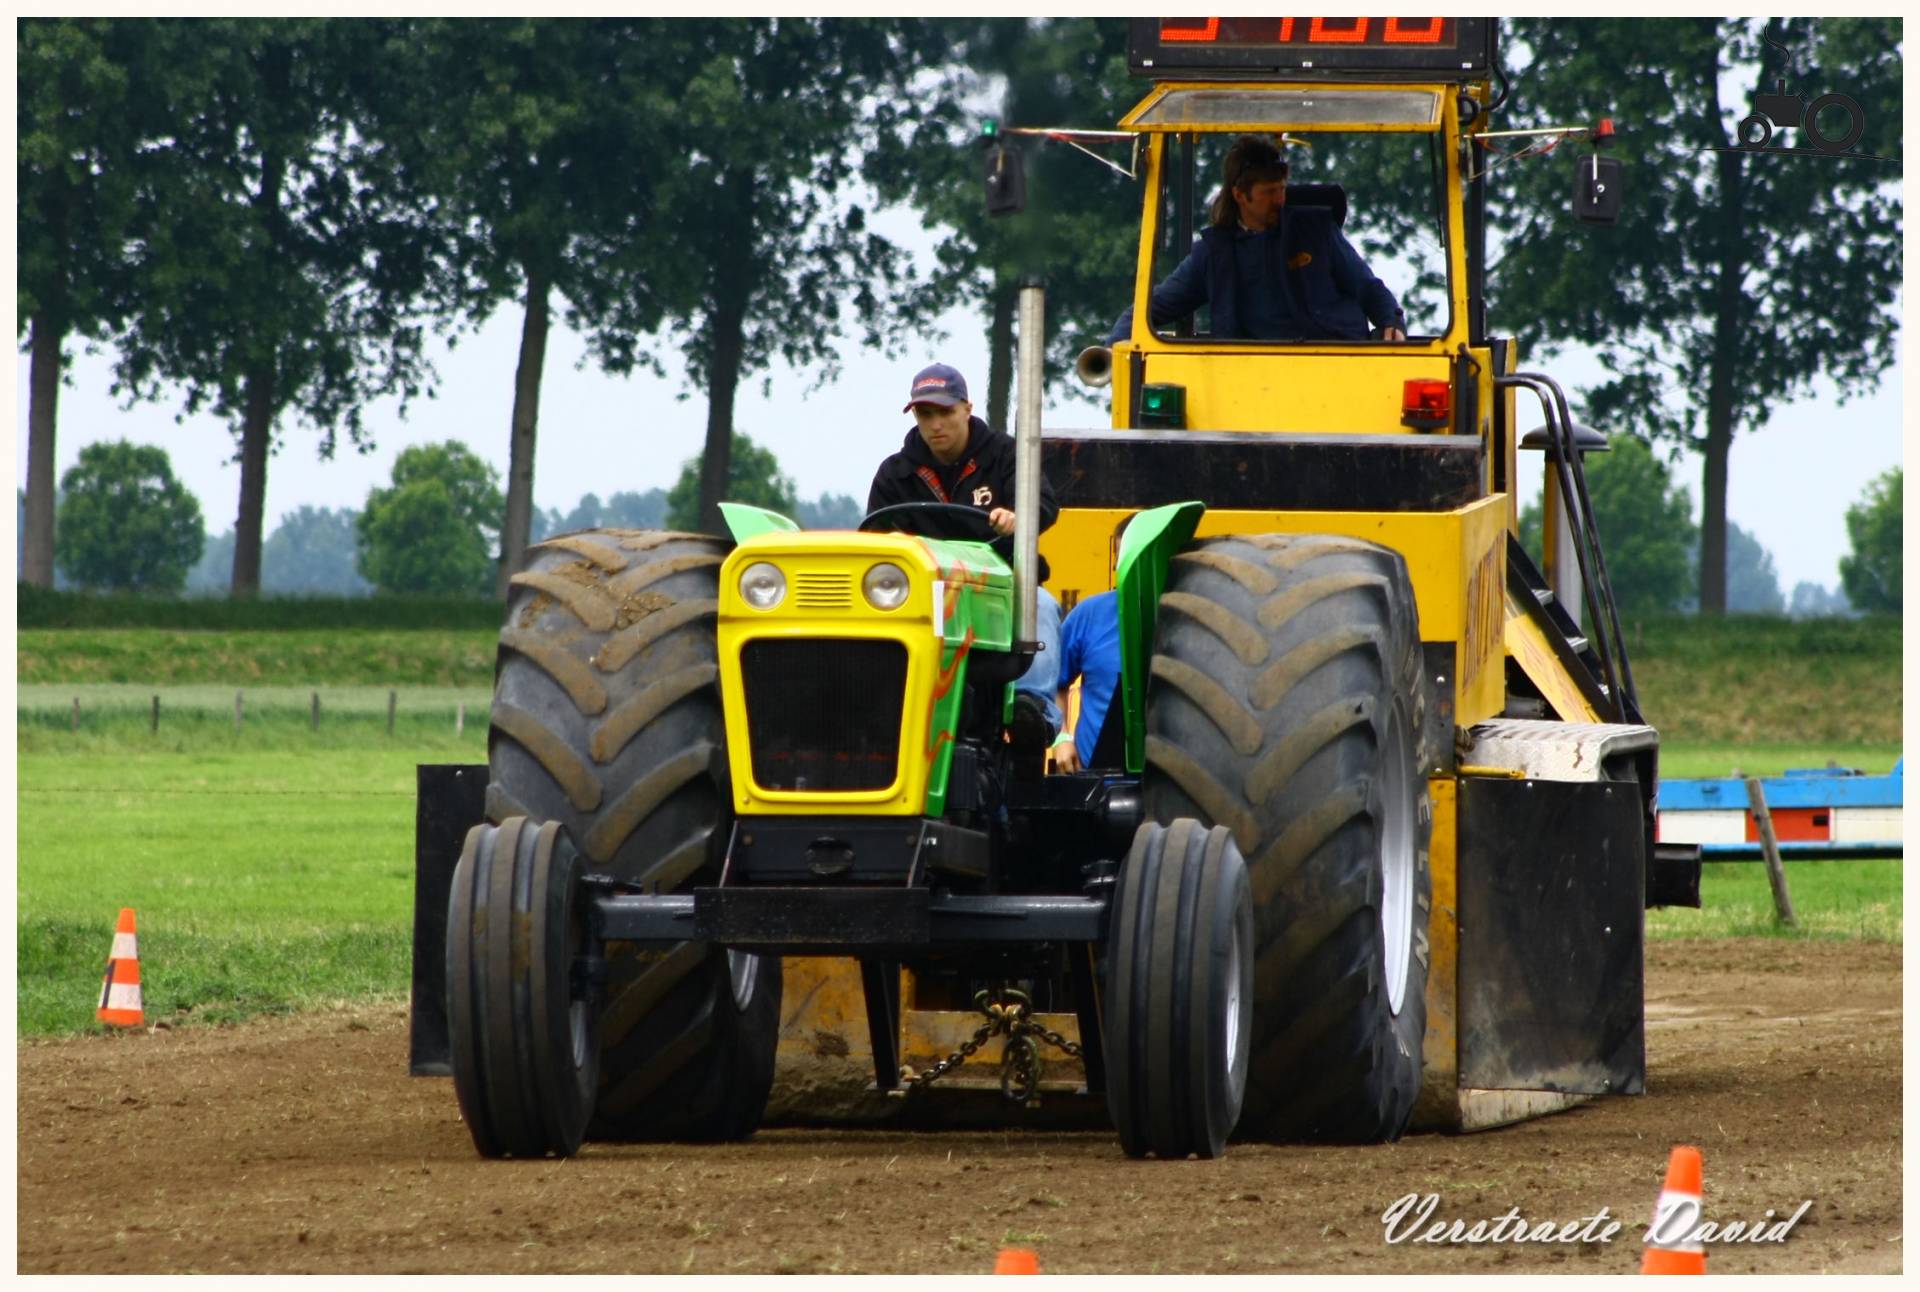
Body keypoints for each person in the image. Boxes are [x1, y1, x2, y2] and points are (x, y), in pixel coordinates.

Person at [867, 363, 1064, 748]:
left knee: (1039, 605)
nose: (936, 424)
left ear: (967, 409)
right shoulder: (895, 474)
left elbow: (1044, 503)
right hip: (924, 596)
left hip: (1001, 588)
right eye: (926, 414)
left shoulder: (1006, 455)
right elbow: (876, 538)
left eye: (945, 412)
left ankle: (1032, 712)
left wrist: (1018, 518)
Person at [1107, 134, 1407, 345]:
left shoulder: (1317, 229)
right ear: (1240, 195)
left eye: (1282, 188)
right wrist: (1115, 345)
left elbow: (1367, 286)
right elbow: (1155, 306)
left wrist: (1391, 321)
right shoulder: (1214, 253)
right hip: (1250, 378)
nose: (1280, 199)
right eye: (1268, 193)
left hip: (1337, 360)